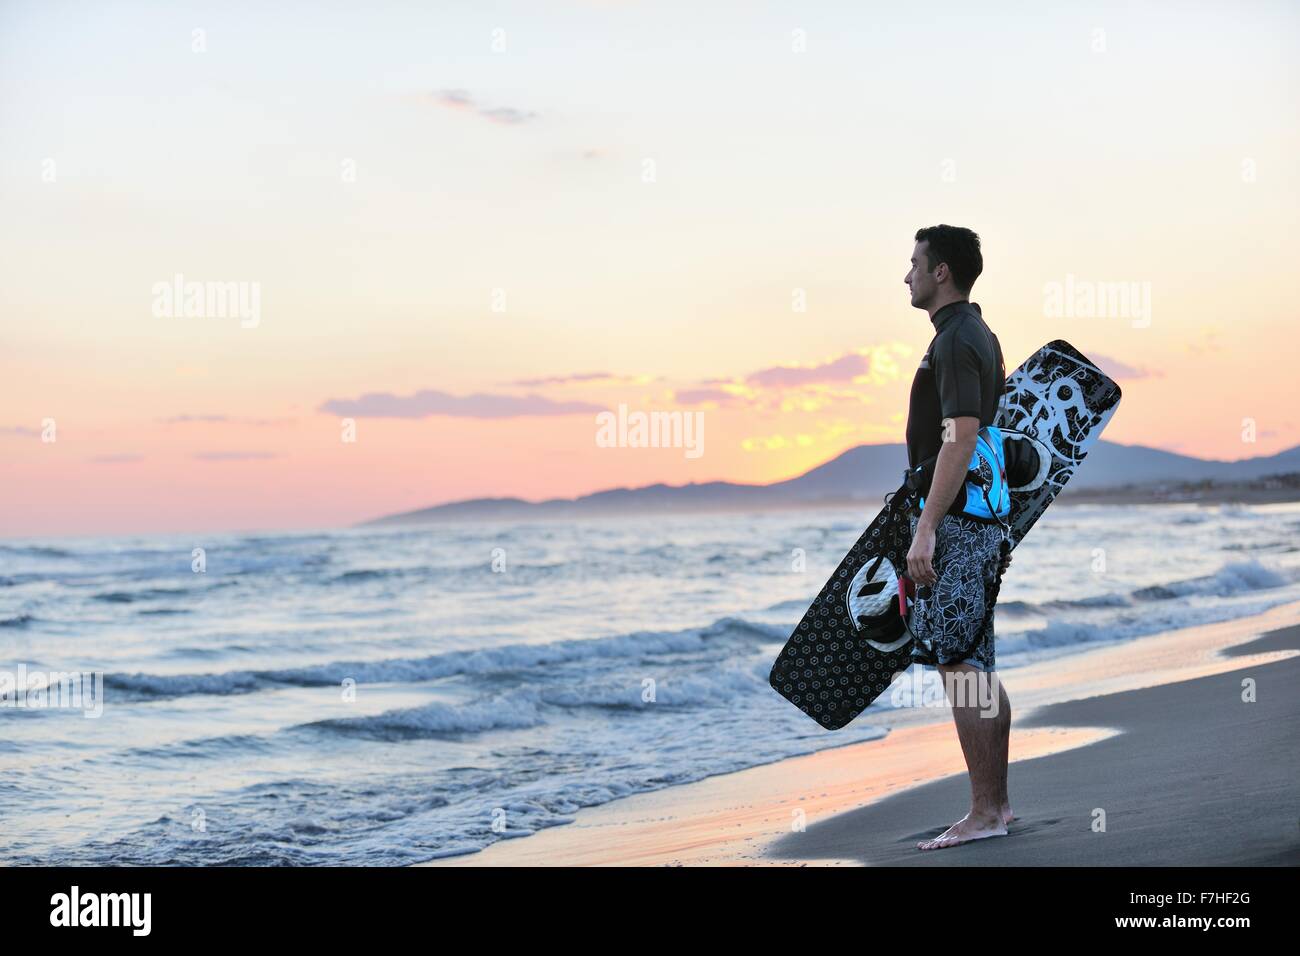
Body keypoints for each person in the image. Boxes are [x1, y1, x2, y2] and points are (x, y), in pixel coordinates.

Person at [902, 224, 1015, 850]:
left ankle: (984, 812)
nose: (908, 274)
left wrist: (926, 527)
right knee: (976, 662)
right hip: (979, 518)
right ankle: (994, 808)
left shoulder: (955, 340)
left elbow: (962, 436)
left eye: (916, 262)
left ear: (941, 271)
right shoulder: (977, 333)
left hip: (961, 522)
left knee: (958, 662)